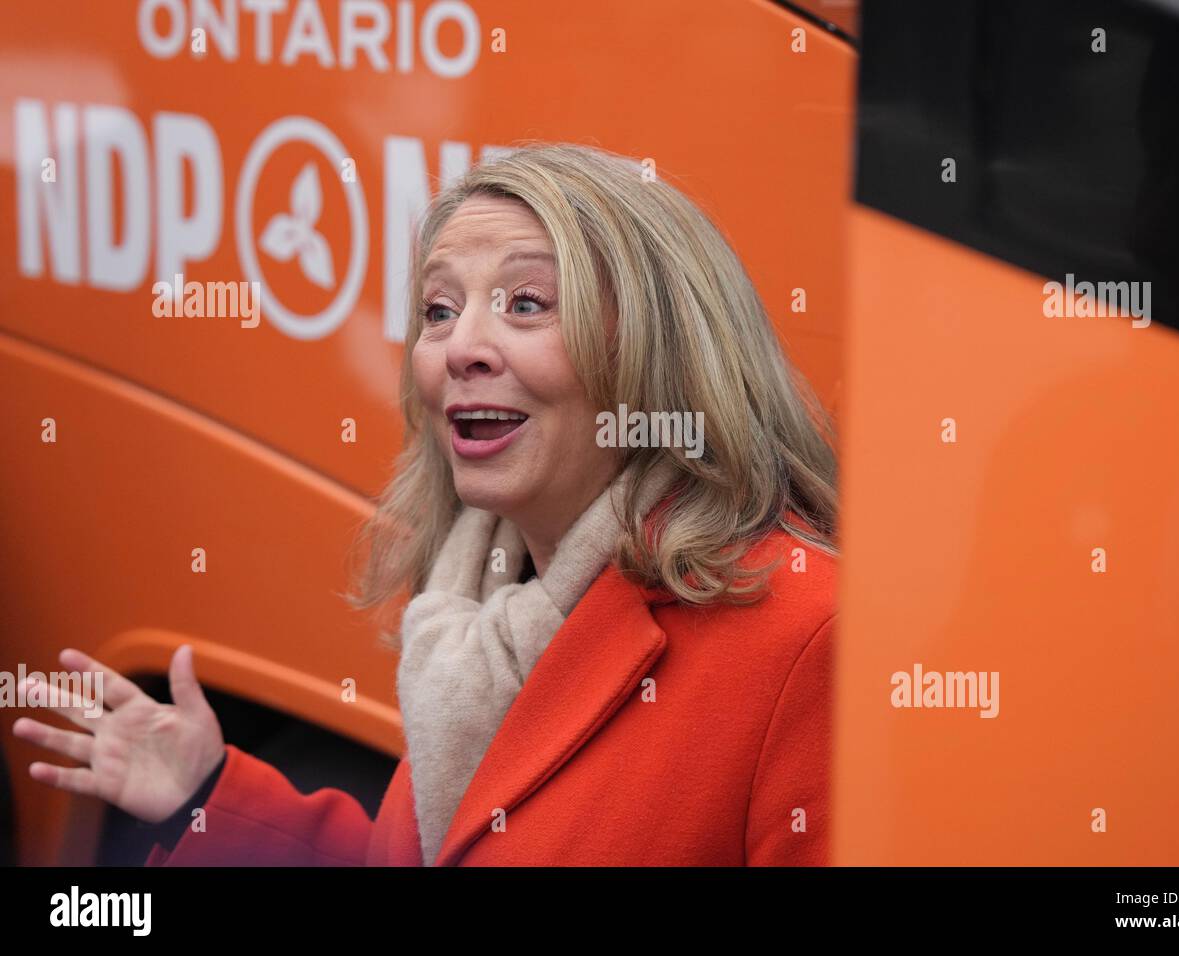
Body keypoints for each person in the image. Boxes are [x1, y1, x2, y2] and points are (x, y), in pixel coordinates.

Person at [14, 142, 839, 865]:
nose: (462, 350)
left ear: (659, 351)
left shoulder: (809, 639)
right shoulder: (471, 612)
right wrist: (210, 794)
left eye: (527, 303)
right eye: (440, 311)